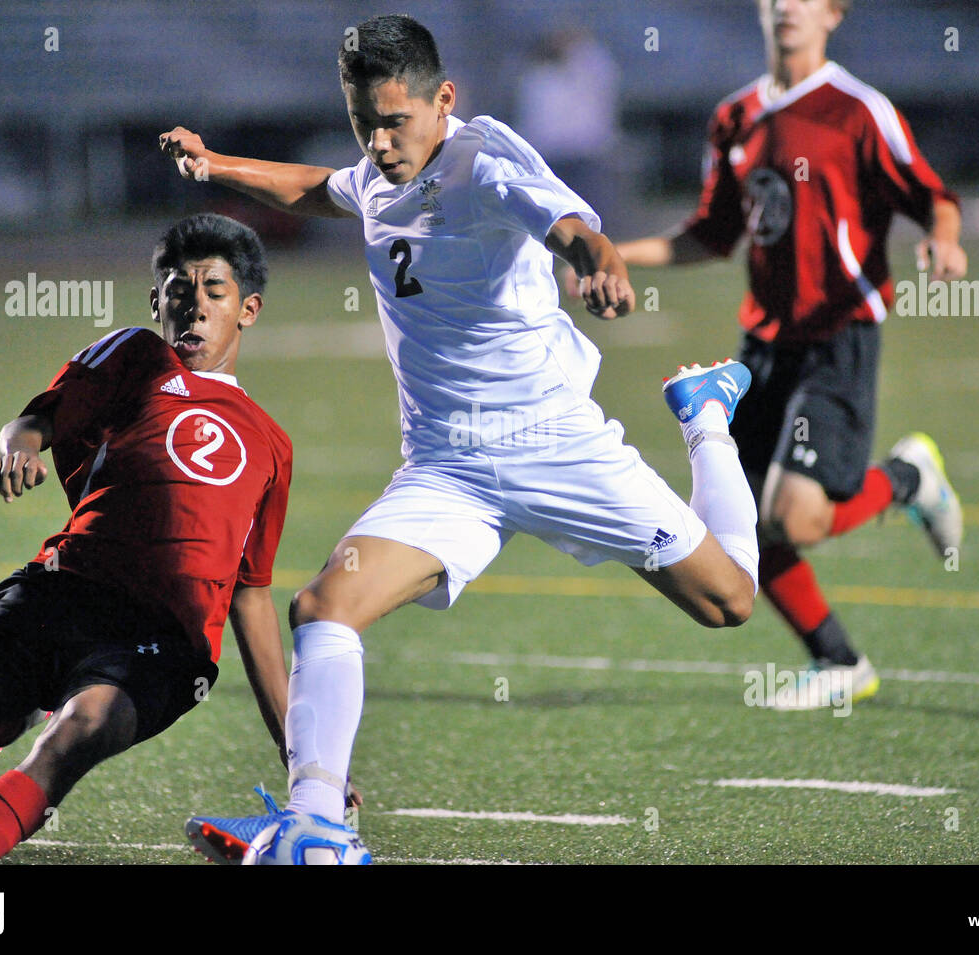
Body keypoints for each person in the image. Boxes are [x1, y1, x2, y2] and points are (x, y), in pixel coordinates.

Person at [159, 13, 760, 863]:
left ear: (445, 101)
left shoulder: (482, 162)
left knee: (728, 600)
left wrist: (596, 256)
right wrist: (216, 166)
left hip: (554, 443)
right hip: (446, 468)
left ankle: (704, 417)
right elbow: (317, 188)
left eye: (396, 122)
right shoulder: (376, 171)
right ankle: (315, 826)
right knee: (325, 607)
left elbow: (565, 222)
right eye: (364, 124)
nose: (379, 142)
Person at [0, 213, 297, 864]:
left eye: (215, 291)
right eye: (180, 290)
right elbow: (35, 419)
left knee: (78, 732)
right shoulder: (136, 356)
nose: (195, 307)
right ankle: (8, 713)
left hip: (162, 643)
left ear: (248, 309)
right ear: (158, 301)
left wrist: (305, 759)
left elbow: (251, 598)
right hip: (60, 592)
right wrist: (18, 450)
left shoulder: (271, 443)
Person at [609, 0, 966, 707]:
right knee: (735, 519)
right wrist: (610, 254)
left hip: (838, 336)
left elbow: (933, 197)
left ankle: (908, 479)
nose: (787, 8)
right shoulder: (734, 118)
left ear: (835, 12)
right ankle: (839, 661)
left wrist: (944, 238)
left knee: (796, 516)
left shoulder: (860, 110)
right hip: (762, 347)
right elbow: (710, 235)